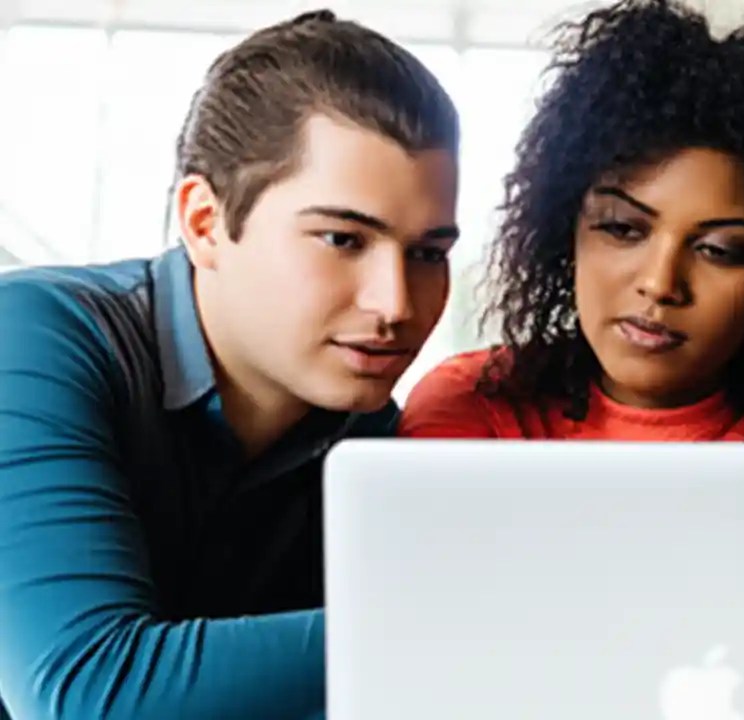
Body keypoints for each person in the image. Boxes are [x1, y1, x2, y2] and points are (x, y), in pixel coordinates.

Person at [0, 10, 459, 720]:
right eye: (342, 239)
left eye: (428, 253)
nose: (396, 303)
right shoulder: (35, 336)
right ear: (204, 222)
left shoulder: (369, 436)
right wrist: (461, 623)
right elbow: (86, 692)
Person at [400, 0, 744, 444]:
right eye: (622, 229)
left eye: (719, 250)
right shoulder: (477, 405)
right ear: (567, 229)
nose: (659, 283)